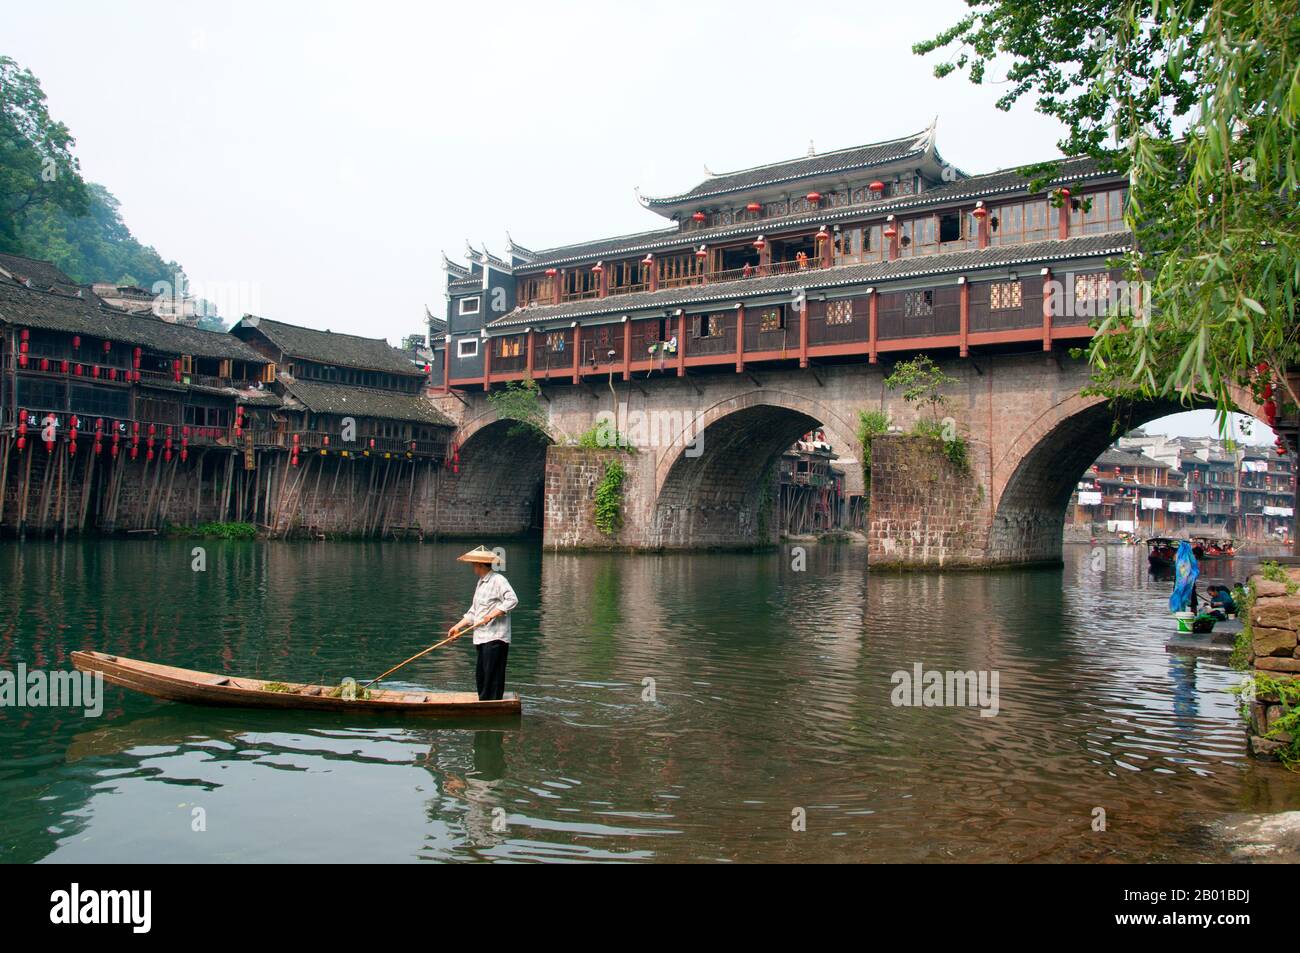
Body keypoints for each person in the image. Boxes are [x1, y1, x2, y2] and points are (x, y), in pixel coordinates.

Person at [449, 546, 518, 701]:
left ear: (480, 565)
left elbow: (512, 600)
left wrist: (493, 614)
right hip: (481, 637)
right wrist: (457, 627)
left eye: (474, 564)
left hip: (495, 638)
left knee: (492, 678)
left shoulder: (498, 580)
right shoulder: (481, 583)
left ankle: (491, 706)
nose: (473, 567)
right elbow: (474, 612)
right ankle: (484, 702)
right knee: (482, 676)